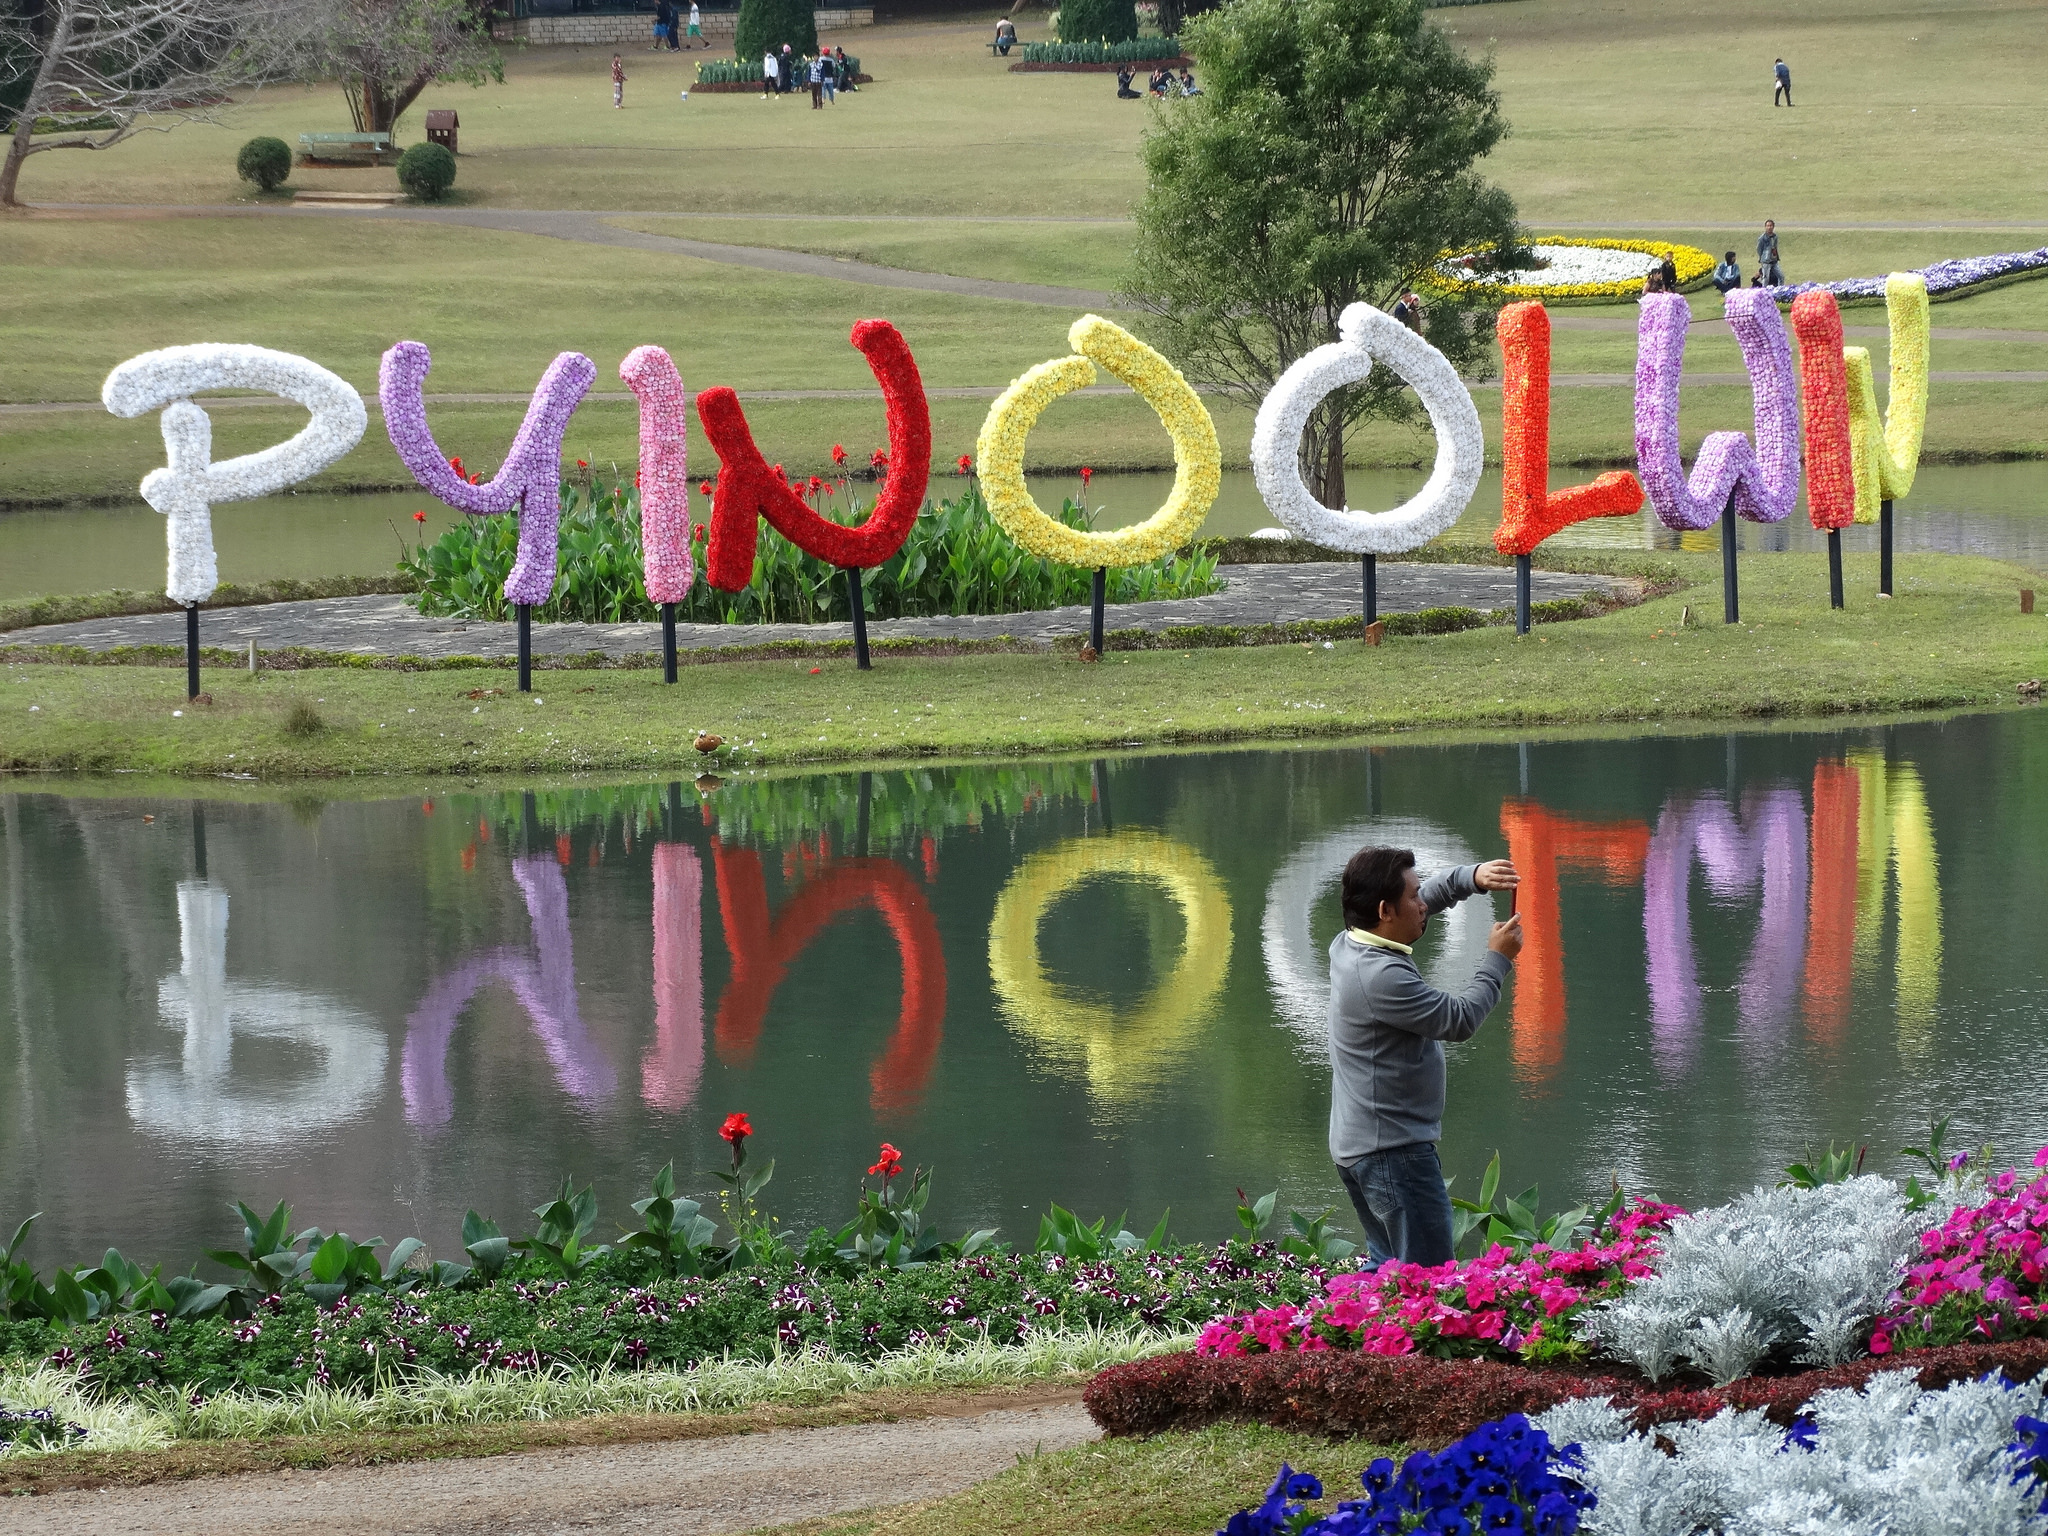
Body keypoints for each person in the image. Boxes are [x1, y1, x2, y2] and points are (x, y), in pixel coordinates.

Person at [1328, 846, 1522, 1267]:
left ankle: (1336, 1329)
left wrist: (1469, 878)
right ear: (1384, 910)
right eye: (1413, 897)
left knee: (1388, 1270)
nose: (1423, 905)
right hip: (1393, 1154)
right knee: (1430, 1280)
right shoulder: (1380, 976)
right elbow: (1459, 1019)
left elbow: (1421, 901)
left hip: (1364, 1145)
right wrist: (1497, 960)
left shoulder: (1349, 943)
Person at [1757, 219, 1784, 286]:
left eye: (1771, 226)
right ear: (1765, 227)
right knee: (1766, 278)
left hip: (1774, 260)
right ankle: (1764, 293)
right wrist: (1763, 256)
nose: (1769, 227)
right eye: (1768, 226)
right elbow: (1759, 248)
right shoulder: (1762, 238)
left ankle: (1780, 290)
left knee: (1781, 276)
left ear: (1773, 227)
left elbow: (1775, 246)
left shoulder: (1775, 237)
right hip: (1766, 261)